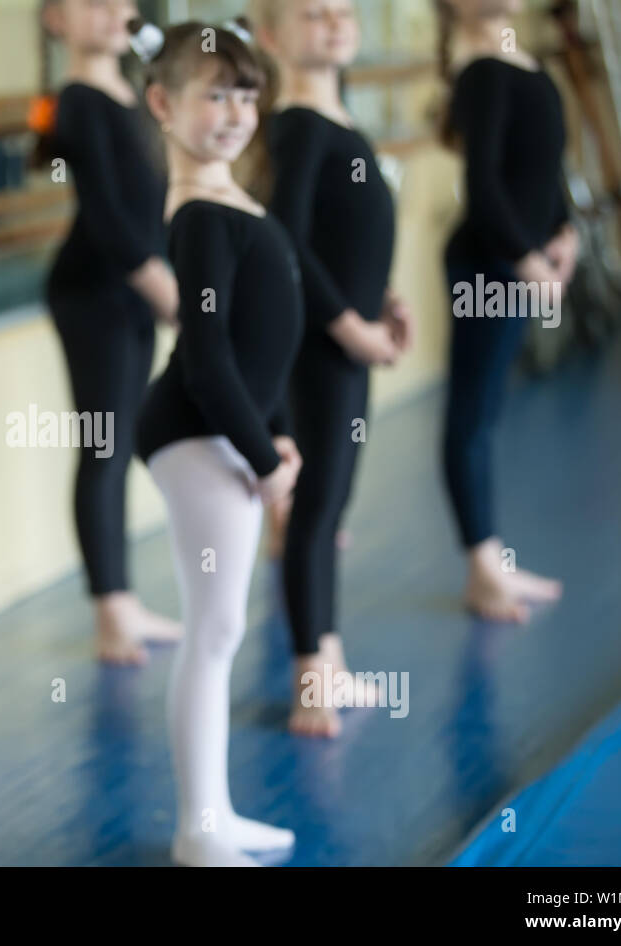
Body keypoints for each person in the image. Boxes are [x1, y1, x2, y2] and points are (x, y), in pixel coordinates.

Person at [135, 20, 304, 867]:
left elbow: (250, 345)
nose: (236, 110)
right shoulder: (200, 213)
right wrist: (268, 462)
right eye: (214, 93)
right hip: (198, 433)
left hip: (229, 430)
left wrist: (274, 434)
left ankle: (217, 812)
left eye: (246, 91)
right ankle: (196, 829)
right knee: (215, 627)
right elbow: (205, 358)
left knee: (222, 628)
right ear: (164, 104)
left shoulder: (232, 198)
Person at [246, 0, 414, 736]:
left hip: (345, 337)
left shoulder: (341, 124)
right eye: (311, 13)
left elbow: (348, 238)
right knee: (317, 507)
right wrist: (350, 324)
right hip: (319, 346)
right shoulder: (298, 127)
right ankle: (311, 676)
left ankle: (330, 661)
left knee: (330, 502)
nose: (333, 20)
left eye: (341, 9)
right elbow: (286, 239)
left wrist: (383, 299)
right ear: (273, 35)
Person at [38, 0, 183, 665]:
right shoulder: (77, 100)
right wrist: (159, 284)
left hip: (132, 289)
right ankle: (108, 611)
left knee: (118, 444)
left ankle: (123, 598)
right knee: (103, 445)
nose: (112, 11)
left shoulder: (134, 91)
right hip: (95, 291)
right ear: (55, 18)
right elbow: (104, 210)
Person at [435, 0, 573, 622]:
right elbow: (486, 187)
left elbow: (546, 164)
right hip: (487, 267)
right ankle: (482, 569)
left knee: (488, 412)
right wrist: (528, 260)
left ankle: (493, 560)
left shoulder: (526, 62)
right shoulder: (481, 73)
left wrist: (564, 230)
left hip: (519, 263)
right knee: (473, 413)